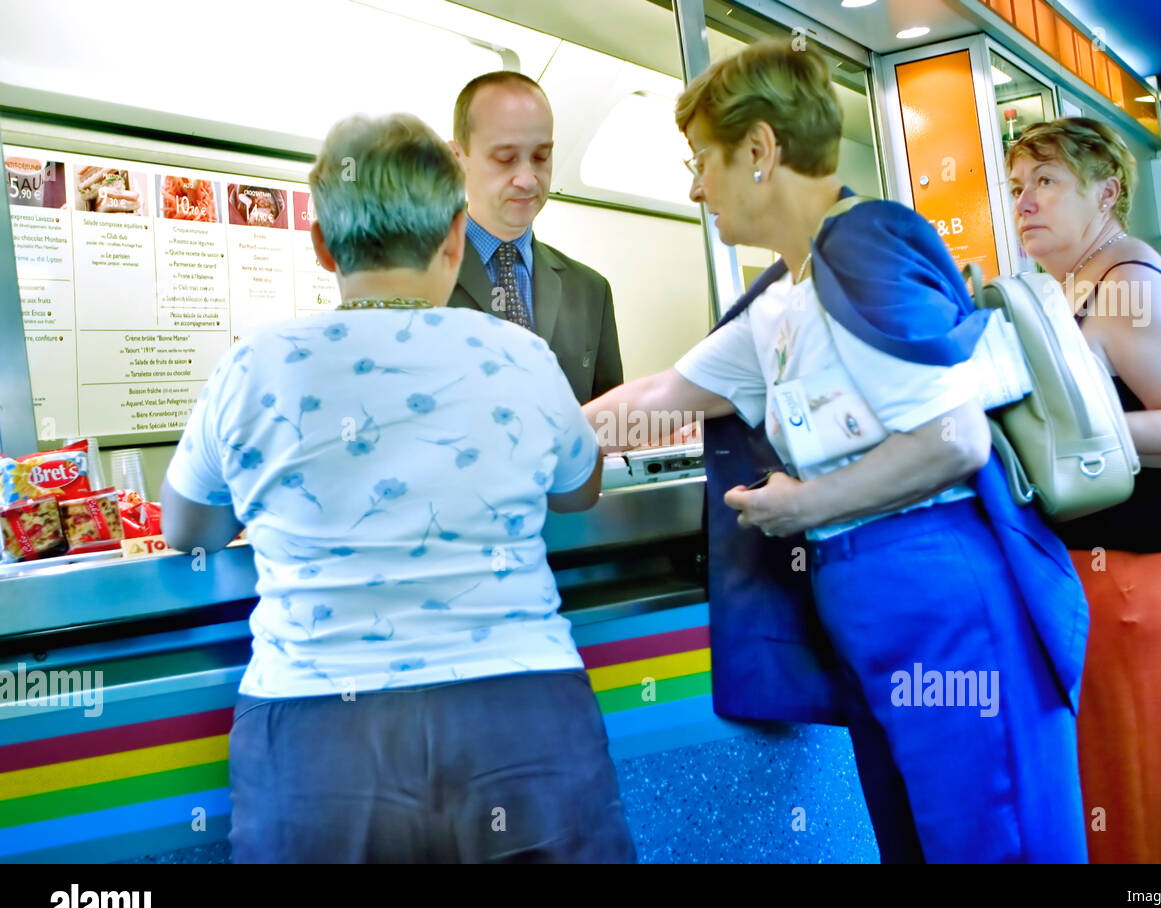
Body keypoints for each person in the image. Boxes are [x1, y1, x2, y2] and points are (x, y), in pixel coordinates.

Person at [585, 39, 1090, 863]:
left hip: (939, 591)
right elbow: (649, 403)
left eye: (701, 160)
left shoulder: (866, 246)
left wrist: (802, 505)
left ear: (759, 151)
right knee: (919, 840)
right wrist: (503, 437)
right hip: (866, 597)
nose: (693, 187)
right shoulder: (784, 297)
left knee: (992, 840)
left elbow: (953, 439)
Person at [160, 113, 636, 864]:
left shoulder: (256, 364)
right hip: (519, 715)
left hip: (318, 733)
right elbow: (578, 492)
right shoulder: (522, 356)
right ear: (455, 236)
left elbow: (188, 530)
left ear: (321, 246)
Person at [1007, 117, 1161, 864]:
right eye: (1017, 187)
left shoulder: (1126, 282)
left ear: (1106, 193)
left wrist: (1059, 440)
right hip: (1107, 570)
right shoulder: (1068, 286)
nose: (1025, 203)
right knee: (1150, 774)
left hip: (1144, 575)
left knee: (1139, 782)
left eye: (1046, 183)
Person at [447, 71, 623, 403]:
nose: (528, 180)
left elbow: (609, 426)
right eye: (505, 159)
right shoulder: (413, 282)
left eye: (541, 156)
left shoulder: (591, 291)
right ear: (458, 160)